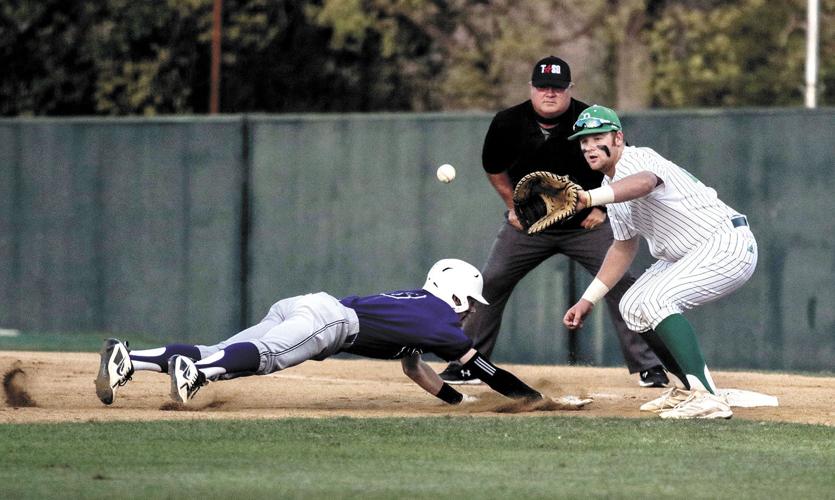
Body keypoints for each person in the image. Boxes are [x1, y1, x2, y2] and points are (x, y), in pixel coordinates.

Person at [438, 55, 667, 387]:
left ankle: (649, 365)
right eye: (543, 87)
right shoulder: (507, 122)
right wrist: (513, 207)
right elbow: (494, 167)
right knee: (490, 283)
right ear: (531, 88)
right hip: (530, 226)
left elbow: (622, 165)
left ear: (569, 89)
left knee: (621, 284)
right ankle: (469, 364)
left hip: (585, 225)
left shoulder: (589, 119)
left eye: (557, 88)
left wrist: (603, 209)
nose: (550, 93)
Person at [94, 259, 545, 406]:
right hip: (330, 322)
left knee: (223, 349)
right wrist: (533, 399)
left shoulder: (419, 308)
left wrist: (457, 401)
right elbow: (487, 371)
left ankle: (129, 360)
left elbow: (414, 369)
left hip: (308, 307)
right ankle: (197, 373)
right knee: (265, 357)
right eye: (471, 302)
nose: (471, 312)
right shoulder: (441, 321)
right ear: (458, 296)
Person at [562, 104, 758, 419]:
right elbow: (623, 247)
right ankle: (687, 388)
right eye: (583, 141)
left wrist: (587, 198)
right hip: (691, 253)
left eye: (598, 137)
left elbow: (644, 183)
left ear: (618, 138)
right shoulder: (609, 188)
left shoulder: (637, 159)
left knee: (656, 300)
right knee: (631, 306)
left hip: (725, 243)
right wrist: (588, 299)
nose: (589, 147)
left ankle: (708, 397)